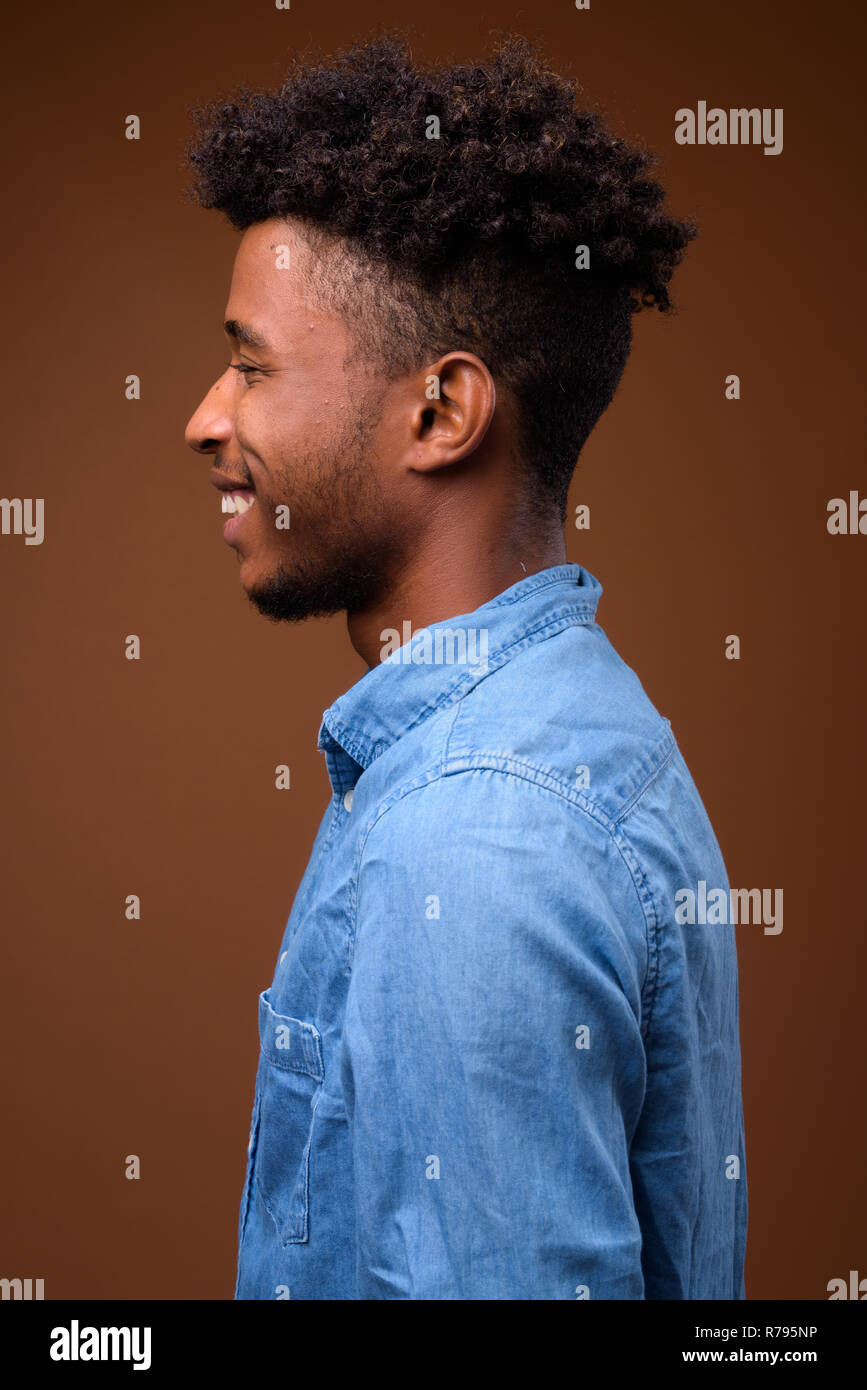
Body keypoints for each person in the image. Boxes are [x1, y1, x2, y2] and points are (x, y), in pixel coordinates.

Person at [183, 32, 747, 1300]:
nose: (205, 417)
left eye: (254, 365)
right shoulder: (584, 732)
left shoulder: (476, 835)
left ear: (442, 412)